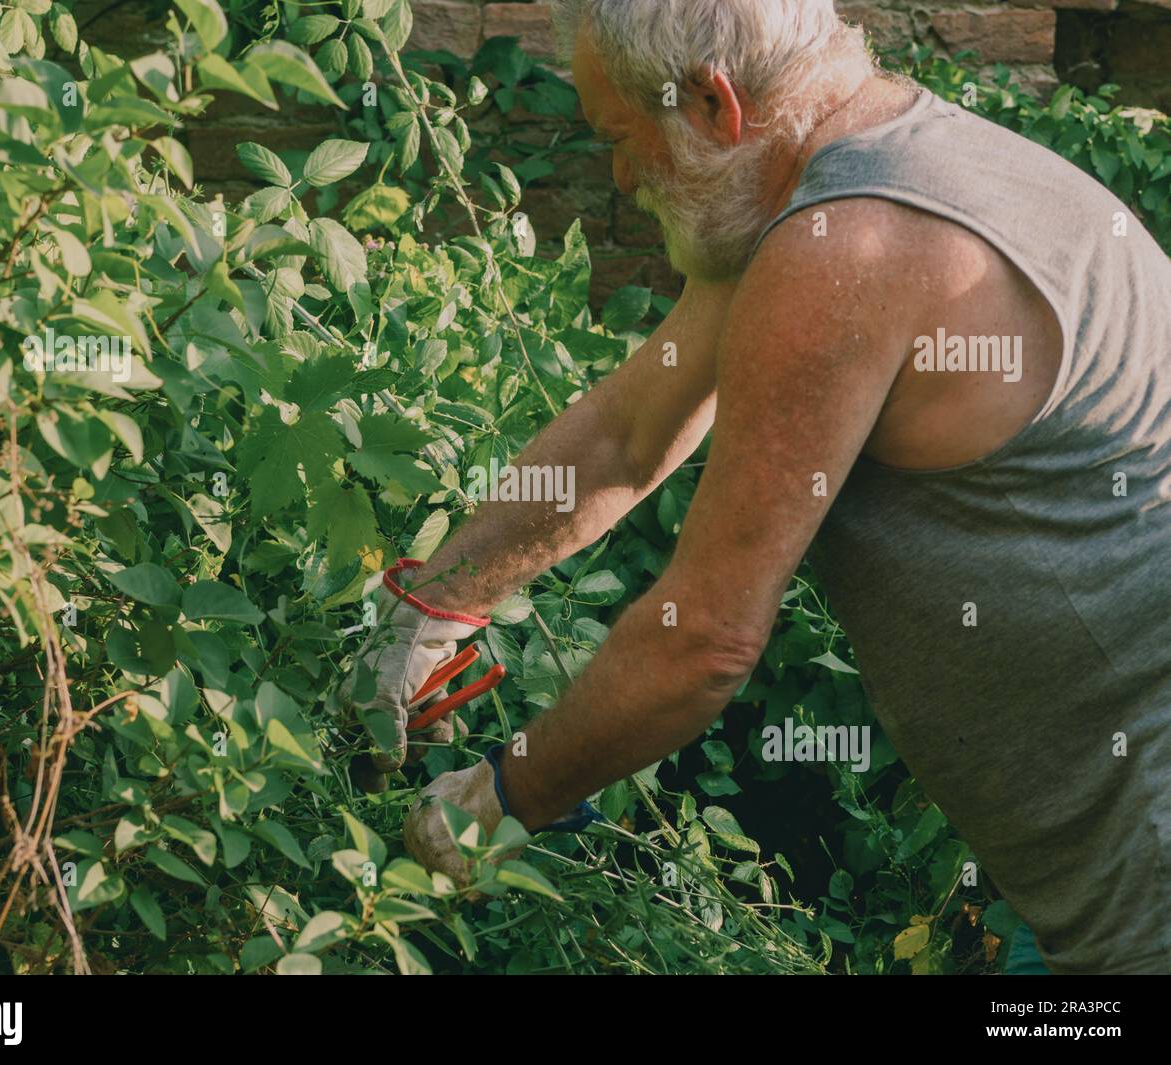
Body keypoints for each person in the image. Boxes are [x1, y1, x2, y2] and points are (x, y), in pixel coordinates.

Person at [344, 0, 1171, 975]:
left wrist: (496, 798)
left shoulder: (847, 248)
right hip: (1078, 874)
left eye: (619, 137)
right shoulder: (866, 176)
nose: (619, 176)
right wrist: (433, 606)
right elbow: (625, 433)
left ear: (709, 102)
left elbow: (704, 640)